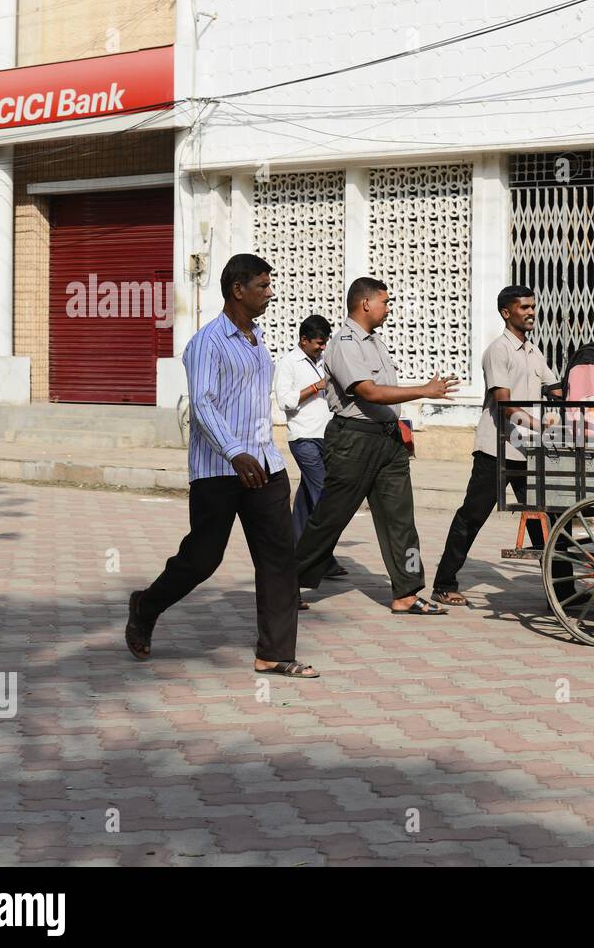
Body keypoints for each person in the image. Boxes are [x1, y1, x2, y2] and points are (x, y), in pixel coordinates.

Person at [125, 254, 318, 678]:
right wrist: (234, 451)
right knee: (202, 559)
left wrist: (259, 453)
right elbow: (203, 404)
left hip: (264, 464)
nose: (270, 292)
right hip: (218, 468)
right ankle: (147, 605)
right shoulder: (206, 343)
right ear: (238, 289)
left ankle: (274, 652)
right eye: (263, 286)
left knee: (278, 559)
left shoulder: (257, 339)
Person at [294, 276, 457, 615]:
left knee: (400, 518)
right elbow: (367, 391)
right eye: (384, 301)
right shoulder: (344, 342)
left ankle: (407, 592)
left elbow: (384, 396)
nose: (388, 308)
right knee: (330, 518)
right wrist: (423, 390)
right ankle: (285, 583)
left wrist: (399, 429)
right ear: (365, 303)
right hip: (354, 439)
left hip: (387, 439)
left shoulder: (375, 341)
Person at [431, 285, 562, 607]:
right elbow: (503, 403)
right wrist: (537, 424)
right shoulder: (498, 351)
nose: (531, 312)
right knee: (472, 516)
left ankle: (561, 589)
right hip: (497, 449)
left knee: (543, 517)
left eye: (533, 306)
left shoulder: (533, 352)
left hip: (528, 449)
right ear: (507, 312)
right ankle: (443, 584)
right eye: (524, 308)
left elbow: (556, 388)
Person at [273, 314, 349, 578]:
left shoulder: (325, 361)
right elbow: (285, 401)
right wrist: (316, 387)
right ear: (303, 340)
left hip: (327, 436)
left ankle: (295, 552)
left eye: (325, 342)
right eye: (318, 343)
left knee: (307, 499)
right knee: (324, 499)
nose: (322, 347)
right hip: (303, 438)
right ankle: (317, 560)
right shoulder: (288, 363)